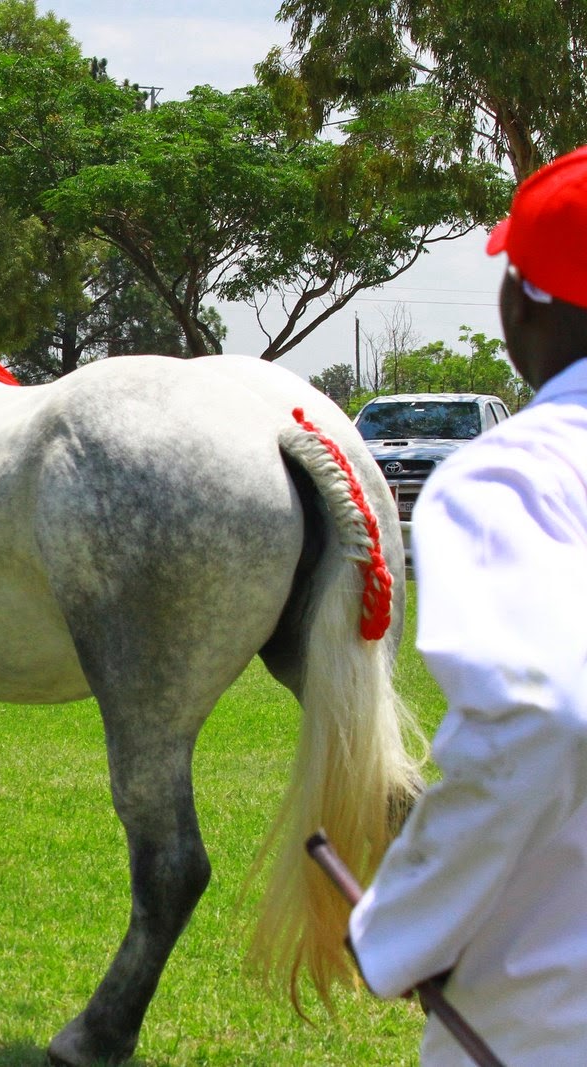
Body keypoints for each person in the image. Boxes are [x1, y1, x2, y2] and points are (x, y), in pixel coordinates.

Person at [349, 145, 587, 1064]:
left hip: (546, 1010)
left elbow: (538, 715)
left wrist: (403, 925)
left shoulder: (511, 478)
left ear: (523, 299)